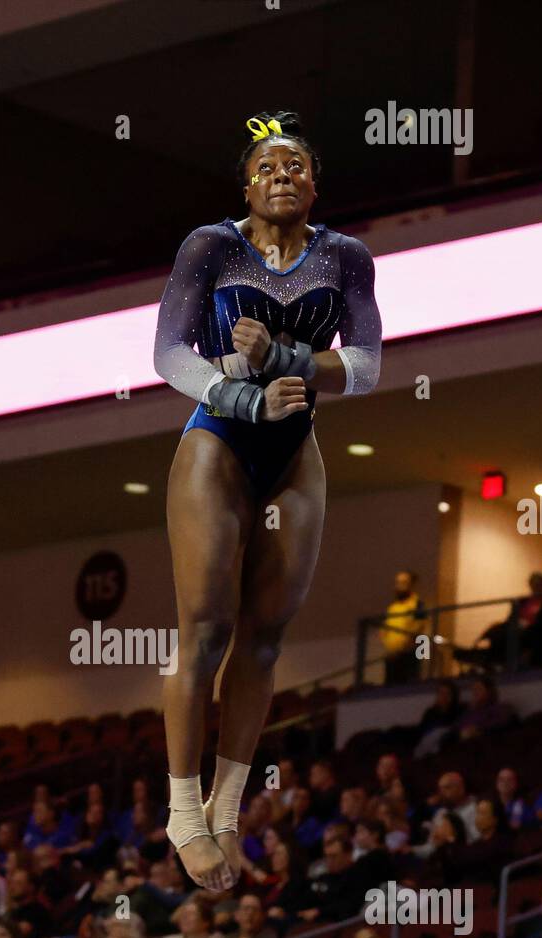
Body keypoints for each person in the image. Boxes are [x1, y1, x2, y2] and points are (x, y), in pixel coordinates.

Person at [153, 109, 381, 895]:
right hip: (218, 439)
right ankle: (183, 810)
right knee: (208, 625)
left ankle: (227, 806)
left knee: (264, 637)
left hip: (296, 453)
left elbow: (368, 364)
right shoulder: (210, 246)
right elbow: (166, 352)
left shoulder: (346, 257)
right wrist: (239, 396)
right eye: (266, 167)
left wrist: (287, 359)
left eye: (296, 166)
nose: (282, 175)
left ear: (316, 184)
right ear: (245, 185)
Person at [380, 570, 424, 685]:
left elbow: (418, 629)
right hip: (391, 657)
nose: (399, 586)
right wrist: (389, 649)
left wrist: (402, 649)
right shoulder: (392, 607)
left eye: (404, 582)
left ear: (411, 585)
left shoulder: (418, 604)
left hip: (408, 656)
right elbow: (384, 630)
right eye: (397, 582)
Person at [412, 680, 465, 758]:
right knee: (396, 731)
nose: (444, 696)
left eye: (447, 694)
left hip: (440, 744)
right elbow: (421, 730)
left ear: (453, 696)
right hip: (425, 738)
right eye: (441, 693)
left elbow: (452, 731)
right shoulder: (430, 712)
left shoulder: (458, 711)